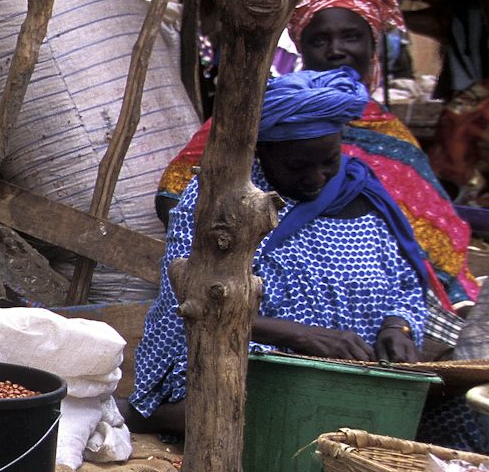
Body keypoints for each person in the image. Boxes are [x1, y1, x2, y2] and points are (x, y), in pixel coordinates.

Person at [158, 0, 477, 333]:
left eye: (351, 37)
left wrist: (399, 321)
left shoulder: (392, 137)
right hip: (257, 311)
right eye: (319, 40)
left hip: (375, 313)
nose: (336, 50)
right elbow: (177, 195)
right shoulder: (260, 118)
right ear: (302, 47)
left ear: (373, 46)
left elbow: (420, 235)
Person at [132, 67, 430, 434]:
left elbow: (408, 285)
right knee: (246, 415)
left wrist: (397, 326)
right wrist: (299, 336)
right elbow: (195, 301)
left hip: (361, 375)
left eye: (328, 162)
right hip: (245, 362)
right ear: (260, 152)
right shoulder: (219, 197)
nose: (317, 177)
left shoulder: (361, 192)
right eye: (297, 166)